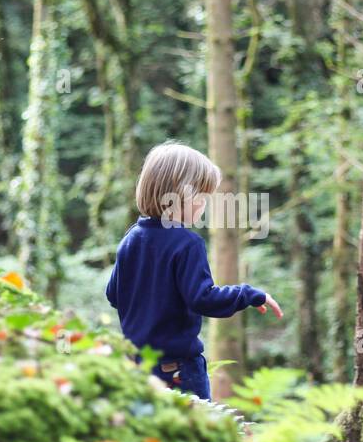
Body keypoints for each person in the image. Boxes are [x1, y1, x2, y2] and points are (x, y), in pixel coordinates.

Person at [106, 141, 282, 400]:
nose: (203, 205)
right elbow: (204, 299)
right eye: (202, 197)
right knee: (196, 433)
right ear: (181, 194)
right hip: (179, 370)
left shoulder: (131, 239)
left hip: (138, 366)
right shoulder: (187, 243)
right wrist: (249, 294)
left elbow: (113, 294)